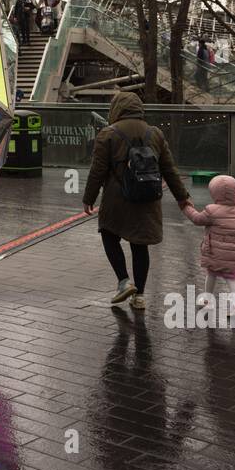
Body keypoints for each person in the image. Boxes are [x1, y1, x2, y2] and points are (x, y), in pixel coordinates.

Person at [82, 91, 191, 311]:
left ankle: (123, 281)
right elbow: (169, 169)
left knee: (108, 233)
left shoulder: (108, 134)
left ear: (117, 108)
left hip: (116, 198)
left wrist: (89, 198)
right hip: (147, 198)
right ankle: (139, 296)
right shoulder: (155, 134)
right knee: (140, 245)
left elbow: (98, 171)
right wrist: (182, 197)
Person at [182, 175, 235, 324]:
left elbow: (197, 219)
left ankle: (208, 299)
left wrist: (186, 207)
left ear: (215, 193)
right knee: (232, 279)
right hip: (234, 254)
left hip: (215, 253)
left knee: (211, 274)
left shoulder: (212, 211)